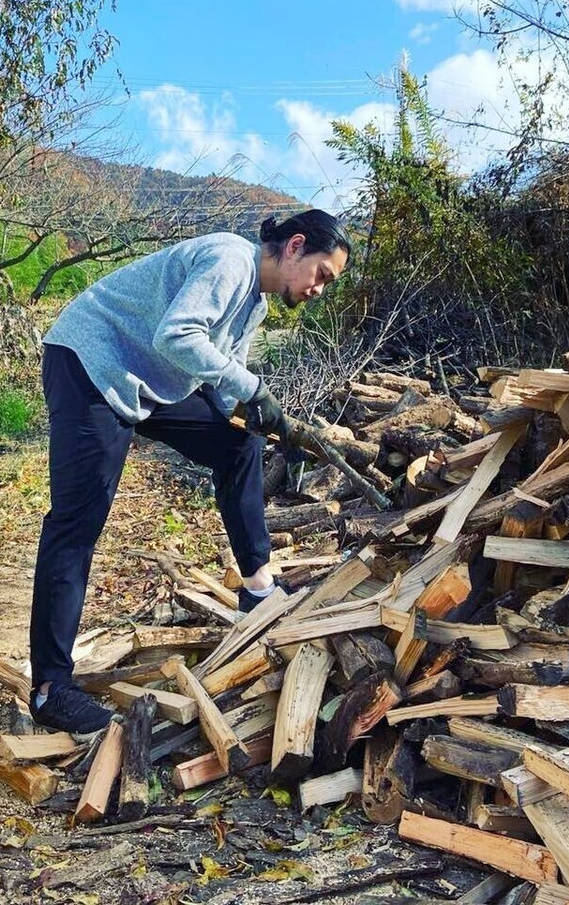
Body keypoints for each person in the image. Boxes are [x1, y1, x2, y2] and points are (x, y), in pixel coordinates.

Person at [28, 209, 352, 736]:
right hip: (90, 361)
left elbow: (221, 379)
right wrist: (249, 387)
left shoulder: (256, 306)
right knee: (77, 522)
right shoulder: (229, 259)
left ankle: (257, 587)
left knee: (237, 446)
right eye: (322, 274)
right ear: (295, 246)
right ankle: (50, 690)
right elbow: (176, 337)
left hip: (149, 381)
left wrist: (270, 422)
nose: (320, 289)